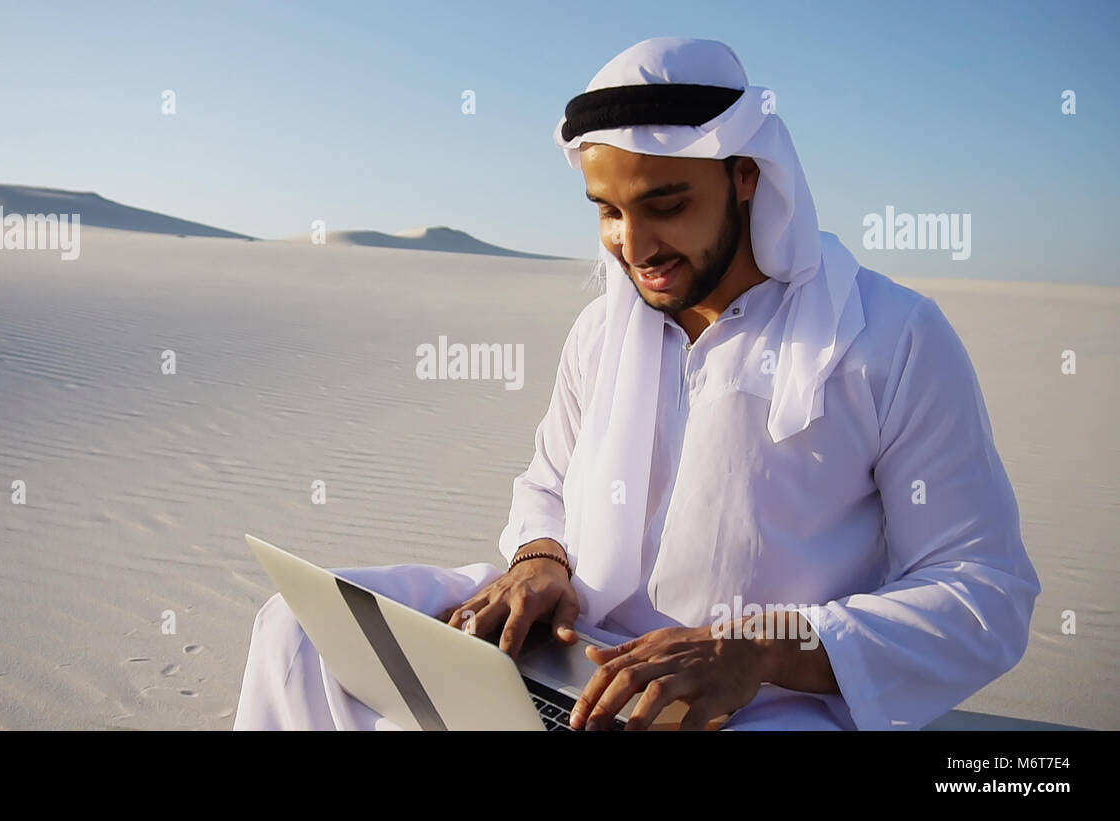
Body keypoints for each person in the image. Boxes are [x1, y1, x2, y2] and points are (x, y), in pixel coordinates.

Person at [232, 36, 1040, 731]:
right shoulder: (604, 329)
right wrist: (538, 561)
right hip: (570, 657)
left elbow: (983, 593)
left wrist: (752, 651)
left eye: (665, 203)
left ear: (747, 175)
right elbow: (546, 484)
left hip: (755, 699)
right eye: (607, 211)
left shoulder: (892, 336)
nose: (633, 244)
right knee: (296, 630)